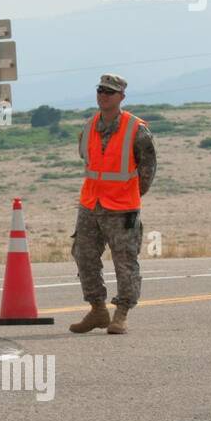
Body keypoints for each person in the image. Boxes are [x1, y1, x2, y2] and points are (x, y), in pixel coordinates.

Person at [69, 73, 156, 335]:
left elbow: (148, 168)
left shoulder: (136, 130)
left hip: (122, 208)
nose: (103, 95)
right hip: (90, 205)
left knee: (125, 261)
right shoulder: (89, 126)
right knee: (84, 256)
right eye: (101, 90)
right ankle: (98, 310)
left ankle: (121, 313)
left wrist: (131, 196)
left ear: (121, 97)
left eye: (109, 92)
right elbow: (87, 159)